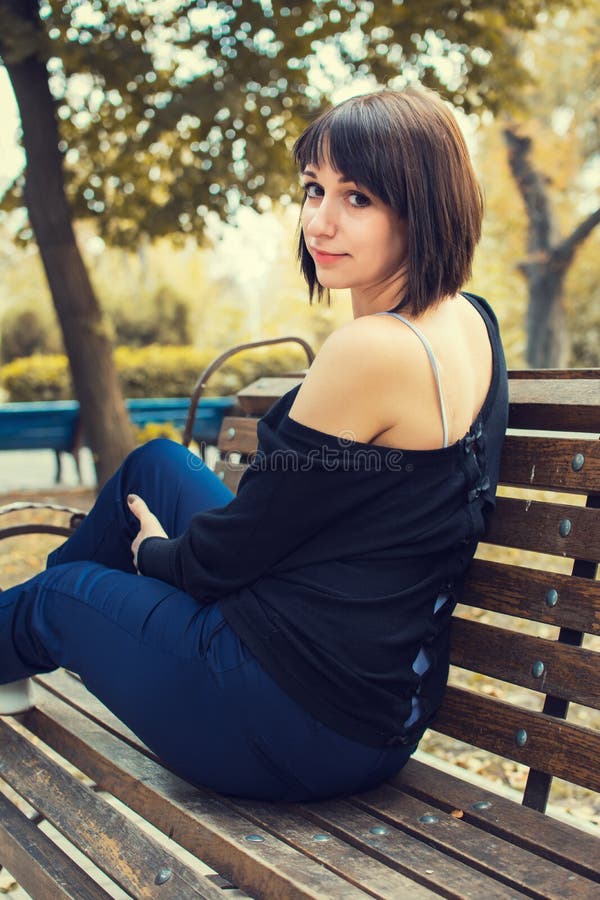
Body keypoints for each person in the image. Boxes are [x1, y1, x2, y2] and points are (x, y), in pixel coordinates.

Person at [0, 86, 508, 802]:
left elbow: (236, 550)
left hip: (287, 722)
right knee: (156, 466)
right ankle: (27, 644)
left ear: (422, 206)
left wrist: (151, 557)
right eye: (313, 189)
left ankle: (35, 632)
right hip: (374, 708)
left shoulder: (371, 348)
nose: (320, 222)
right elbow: (318, 516)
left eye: (357, 198)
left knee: (58, 596)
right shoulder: (470, 320)